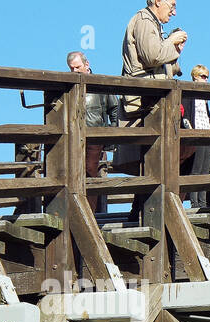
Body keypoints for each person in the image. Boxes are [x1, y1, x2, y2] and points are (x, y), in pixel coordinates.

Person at [120, 0, 186, 220]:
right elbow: (152, 57)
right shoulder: (145, 21)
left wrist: (174, 48)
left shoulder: (152, 23)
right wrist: (170, 41)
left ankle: (153, 207)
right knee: (155, 157)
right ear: (158, 1)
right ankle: (148, 210)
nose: (174, 12)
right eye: (172, 5)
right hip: (145, 104)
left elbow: (166, 65)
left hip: (155, 104)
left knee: (157, 157)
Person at [67, 51, 119, 213]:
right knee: (72, 171)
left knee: (90, 170)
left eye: (77, 67)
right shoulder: (69, 86)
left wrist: (113, 134)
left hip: (95, 134)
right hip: (74, 135)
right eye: (71, 68)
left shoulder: (100, 83)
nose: (74, 71)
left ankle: (90, 211)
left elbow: (114, 108)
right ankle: (76, 210)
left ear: (87, 64)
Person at [181, 63, 210, 207]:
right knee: (196, 168)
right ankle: (195, 202)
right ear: (195, 76)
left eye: (207, 77)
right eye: (203, 76)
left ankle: (203, 201)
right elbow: (185, 115)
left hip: (206, 133)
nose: (205, 79)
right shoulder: (188, 93)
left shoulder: (204, 96)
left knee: (205, 169)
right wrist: (190, 132)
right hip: (196, 134)